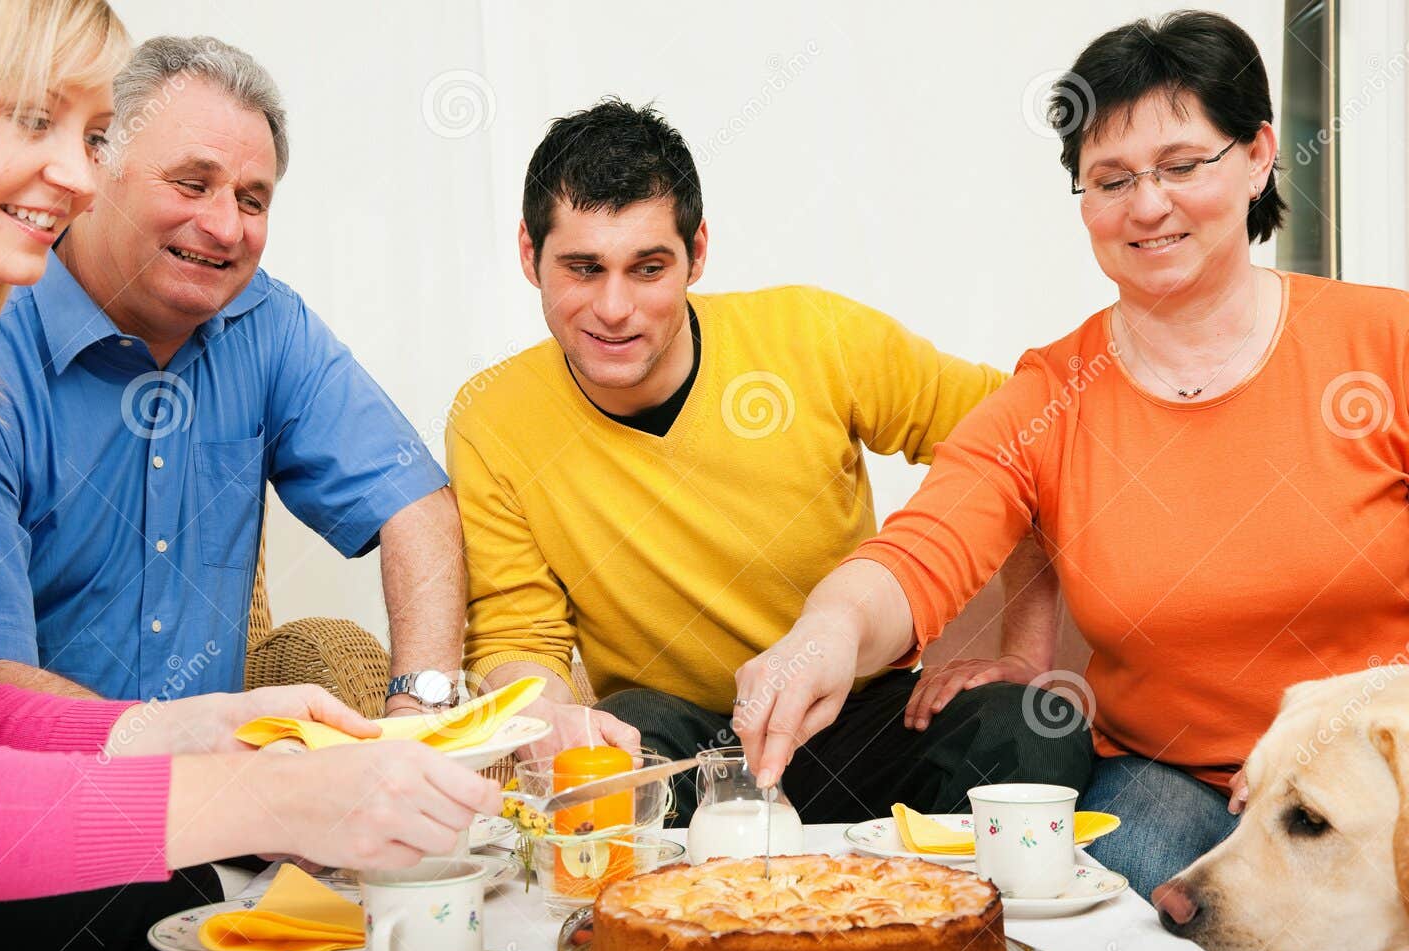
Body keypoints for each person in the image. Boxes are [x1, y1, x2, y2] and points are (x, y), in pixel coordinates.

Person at [0, 0, 499, 951]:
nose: (79, 177)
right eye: (39, 123)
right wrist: (256, 794)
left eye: (88, 138)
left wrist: (214, 728)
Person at [737, 11, 1409, 908]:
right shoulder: (1052, 394)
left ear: (1256, 156)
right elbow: (918, 552)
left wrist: (1327, 761)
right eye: (1110, 179)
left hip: (1378, 769)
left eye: (1180, 165)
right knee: (1118, 892)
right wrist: (824, 636)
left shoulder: (1384, 344)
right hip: (1170, 777)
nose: (1147, 204)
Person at [447, 99, 1091, 824]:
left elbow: (1029, 443)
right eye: (583, 268)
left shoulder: (814, 336)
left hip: (857, 715)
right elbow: (516, 636)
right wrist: (548, 721)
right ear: (530, 257)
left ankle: (935, 923)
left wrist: (1023, 649)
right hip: (674, 737)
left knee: (1035, 728)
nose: (615, 306)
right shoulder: (492, 416)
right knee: (620, 769)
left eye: (648, 267)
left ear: (698, 252)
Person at [0, 35, 464, 718]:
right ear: (98, 168)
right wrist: (186, 753)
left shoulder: (266, 324)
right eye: (192, 184)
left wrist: (419, 708)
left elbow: (417, 505)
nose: (224, 226)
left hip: (217, 792)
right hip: (40, 793)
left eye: (252, 199)